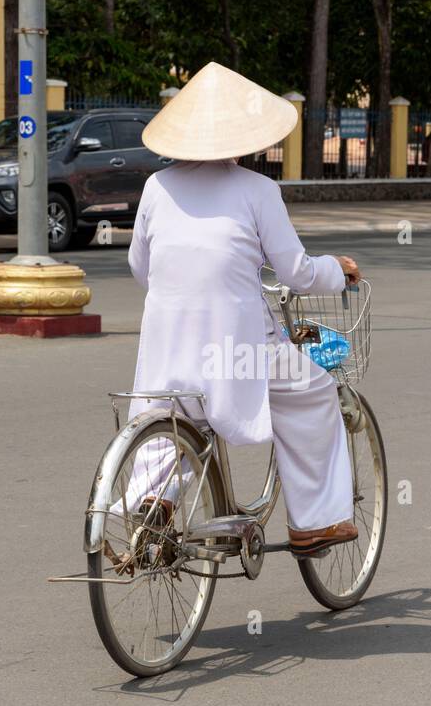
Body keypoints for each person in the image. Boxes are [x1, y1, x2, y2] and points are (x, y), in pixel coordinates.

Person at [123, 61, 360, 558]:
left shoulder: (156, 188)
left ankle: (154, 503)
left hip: (166, 351)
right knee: (314, 391)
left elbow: (141, 269)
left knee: (178, 414)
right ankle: (315, 523)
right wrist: (337, 269)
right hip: (236, 355)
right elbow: (296, 273)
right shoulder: (259, 190)